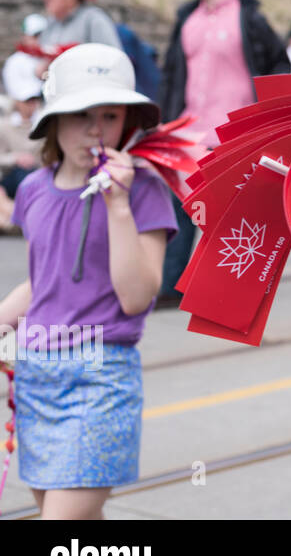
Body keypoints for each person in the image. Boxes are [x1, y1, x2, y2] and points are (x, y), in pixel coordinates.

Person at [0, 44, 177, 519]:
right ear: (53, 120)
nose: (96, 129)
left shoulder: (144, 191)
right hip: (37, 379)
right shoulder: (35, 190)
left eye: (111, 114)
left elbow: (138, 297)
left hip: (100, 381)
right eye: (80, 114)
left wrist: (117, 206)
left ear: (128, 121)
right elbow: (44, 283)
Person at [156, 0, 291, 307]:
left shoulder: (249, 17)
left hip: (233, 131)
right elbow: (171, 74)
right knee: (181, 206)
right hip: (187, 130)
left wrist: (267, 116)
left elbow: (279, 62)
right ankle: (171, 286)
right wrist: (165, 121)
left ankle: (230, 294)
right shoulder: (187, 18)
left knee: (227, 216)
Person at [0, 44, 45, 227]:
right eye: (26, 100)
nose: (31, 104)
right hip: (11, 176)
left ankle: (14, 220)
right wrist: (16, 158)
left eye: (34, 99)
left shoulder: (45, 124)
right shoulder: (5, 125)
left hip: (36, 176)